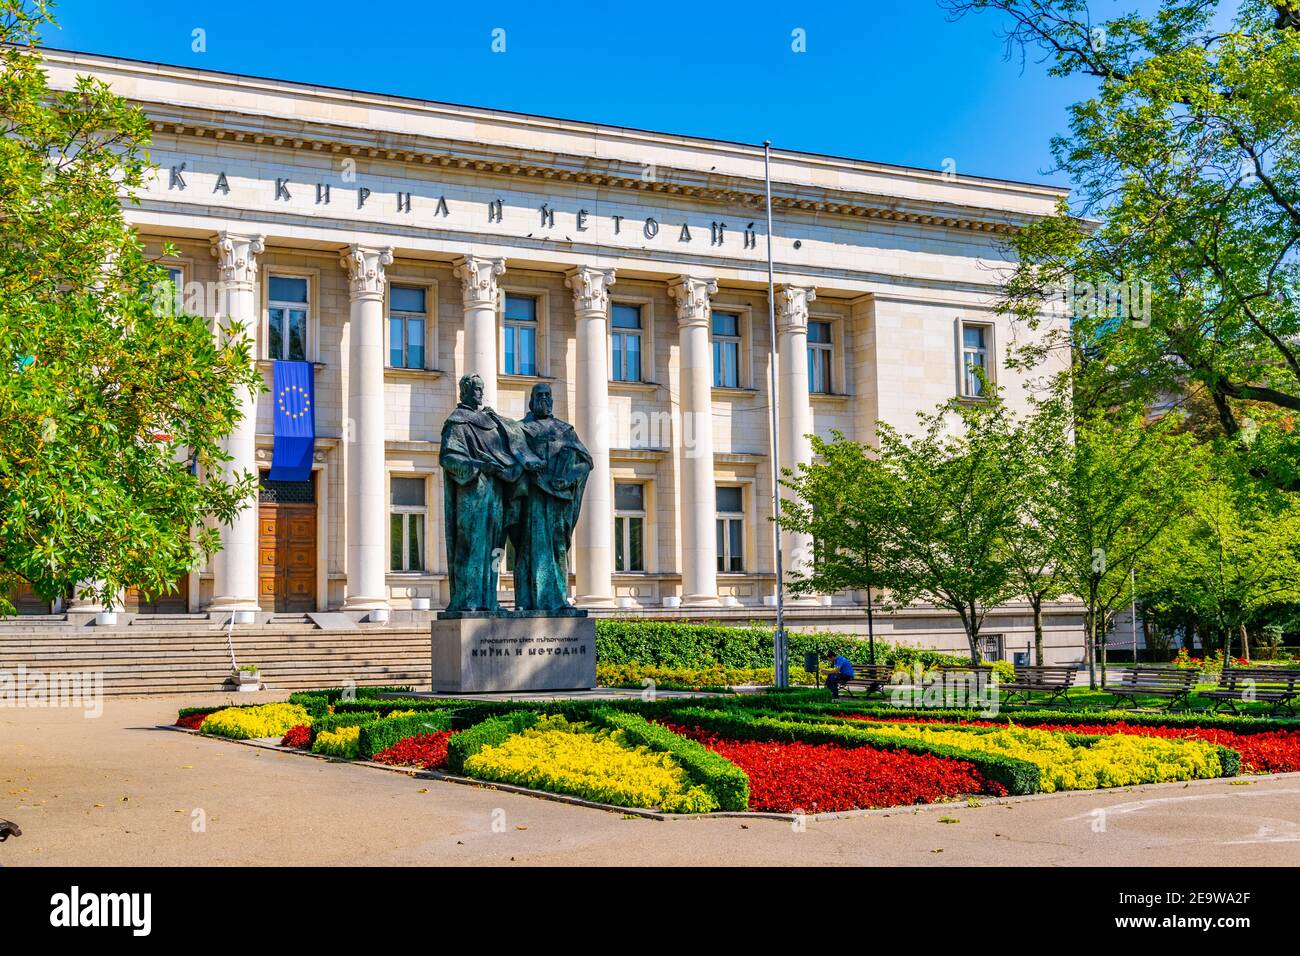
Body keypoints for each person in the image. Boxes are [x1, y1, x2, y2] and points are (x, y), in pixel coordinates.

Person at [501, 383, 592, 612]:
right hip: (531, 499)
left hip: (558, 500)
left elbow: (586, 462)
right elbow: (511, 459)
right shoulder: (521, 430)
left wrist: (568, 477)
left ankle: (559, 600)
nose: (544, 399)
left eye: (547, 395)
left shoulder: (565, 430)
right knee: (528, 547)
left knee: (557, 548)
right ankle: (526, 601)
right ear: (531, 400)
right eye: (539, 395)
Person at [439, 374, 523, 612]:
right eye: (475, 389)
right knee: (471, 547)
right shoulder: (457, 422)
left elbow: (509, 449)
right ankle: (468, 600)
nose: (479, 393)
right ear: (464, 390)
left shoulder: (490, 421)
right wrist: (479, 466)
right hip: (471, 496)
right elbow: (449, 457)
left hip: (494, 494)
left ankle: (489, 599)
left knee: (495, 548)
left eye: (481, 389)